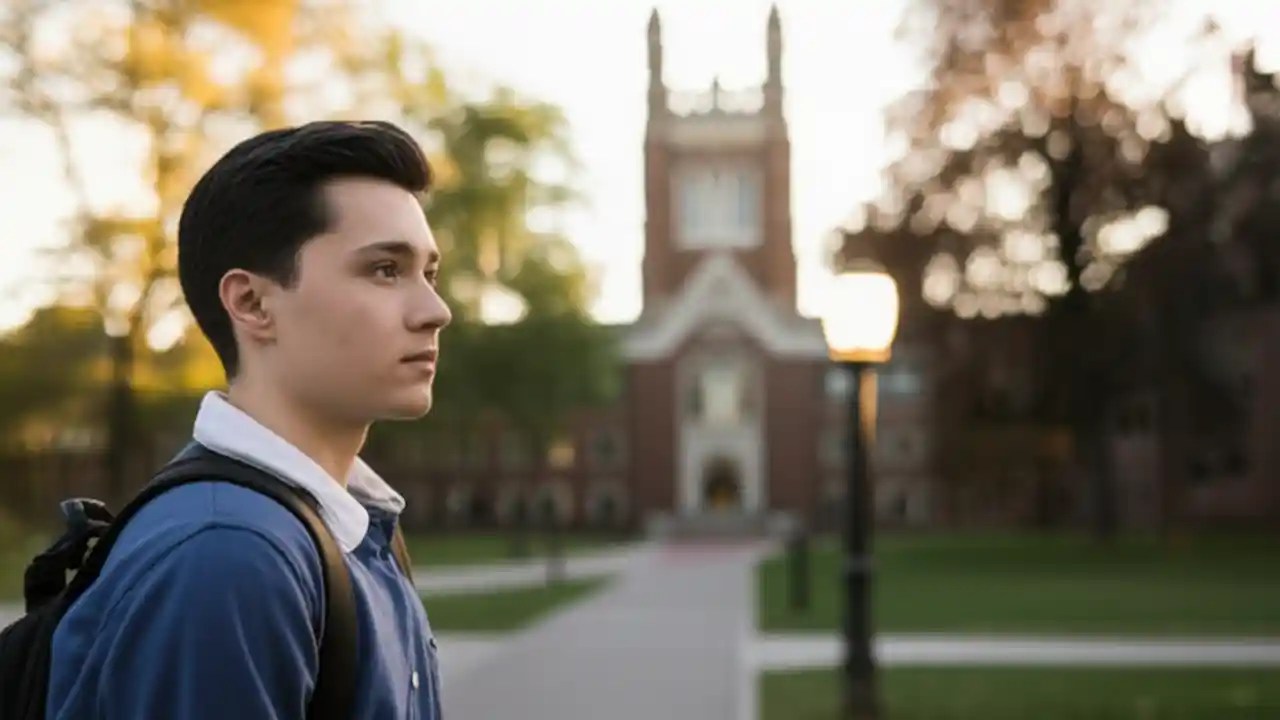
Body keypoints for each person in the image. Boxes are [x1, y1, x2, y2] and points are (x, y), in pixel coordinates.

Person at [45, 120, 450, 719]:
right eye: (385, 270)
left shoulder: (354, 525)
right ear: (252, 303)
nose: (435, 311)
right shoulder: (230, 554)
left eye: (428, 274)